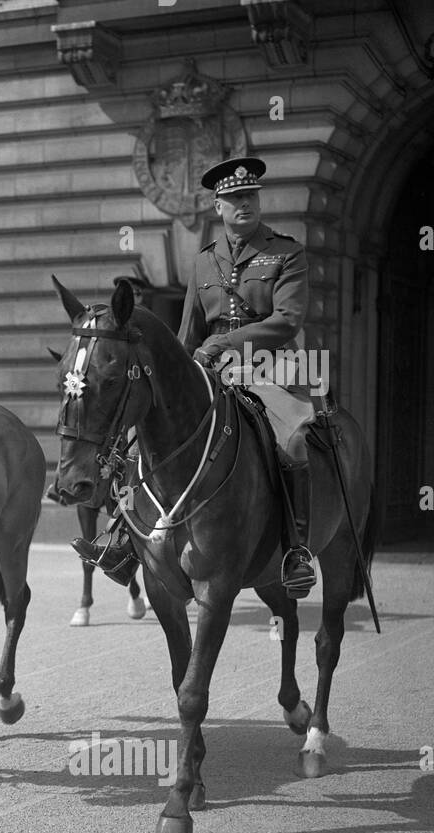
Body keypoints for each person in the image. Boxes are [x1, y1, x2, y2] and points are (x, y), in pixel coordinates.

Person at [74, 156, 317, 598]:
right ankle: (124, 539)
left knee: (294, 442)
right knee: (144, 437)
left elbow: (287, 320)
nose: (244, 204)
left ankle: (295, 550)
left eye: (250, 196)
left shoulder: (287, 252)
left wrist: (225, 345)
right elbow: (187, 334)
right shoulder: (205, 261)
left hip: (273, 368)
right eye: (233, 199)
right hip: (211, 371)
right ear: (218, 208)